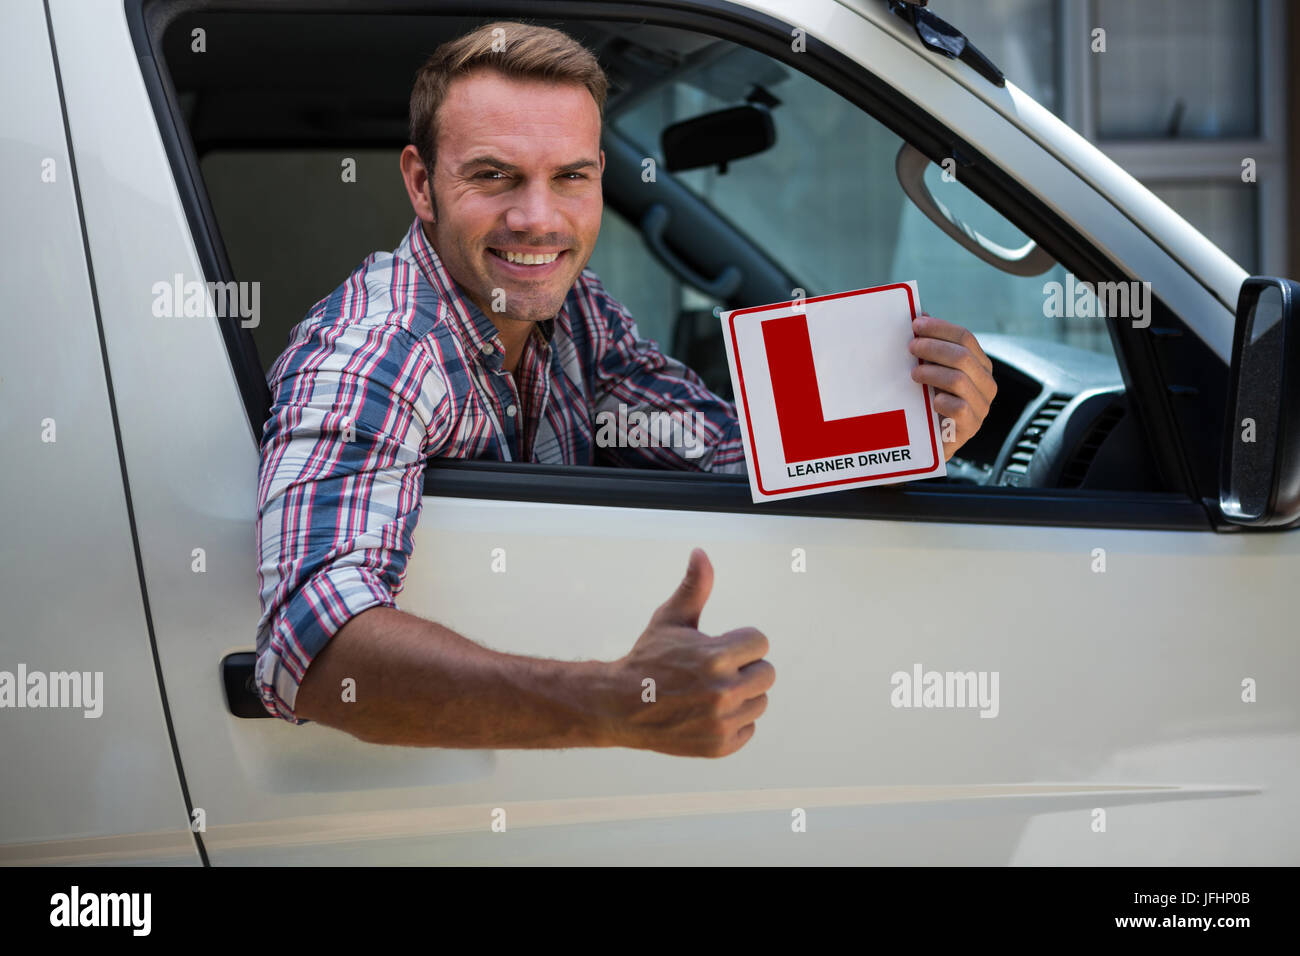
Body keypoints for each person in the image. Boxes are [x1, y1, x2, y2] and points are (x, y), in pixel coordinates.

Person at [253, 21, 997, 756]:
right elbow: (310, 648)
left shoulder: (576, 310)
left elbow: (720, 453)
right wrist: (617, 703)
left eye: (570, 177)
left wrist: (919, 418)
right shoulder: (375, 353)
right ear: (422, 184)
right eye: (494, 176)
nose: (537, 220)